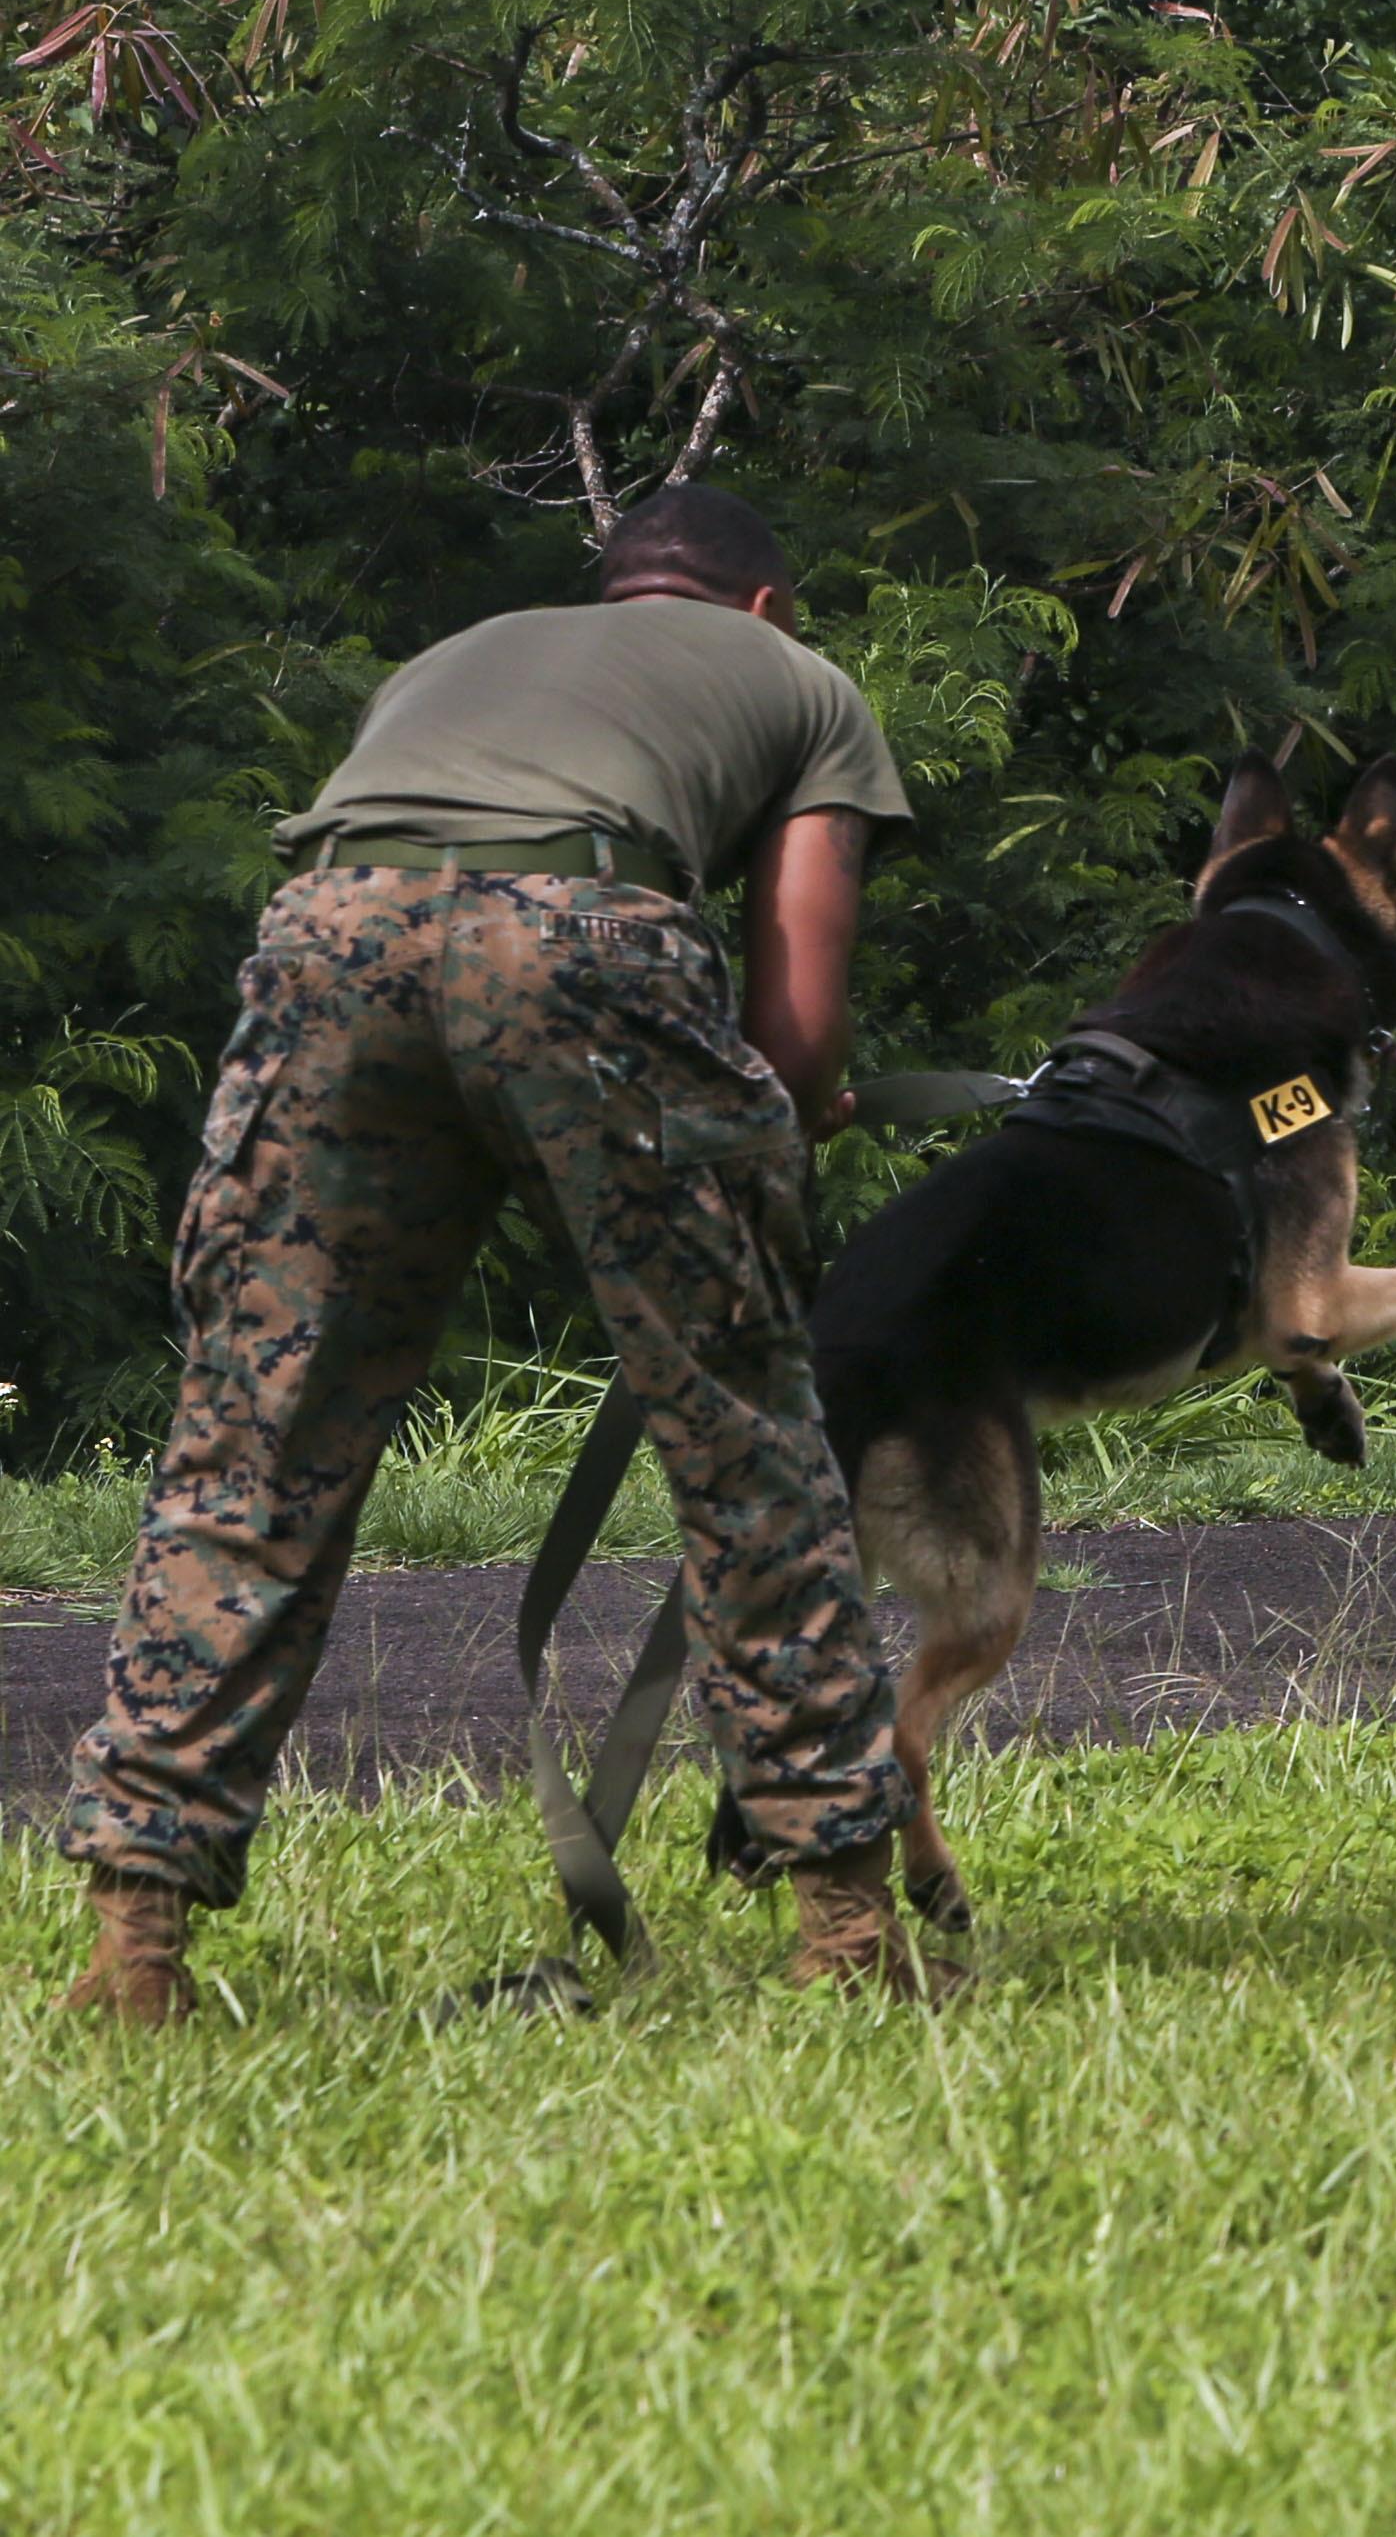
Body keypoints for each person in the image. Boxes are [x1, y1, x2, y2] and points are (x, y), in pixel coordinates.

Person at [55, 483, 927, 2021]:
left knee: (258, 1435)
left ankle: (136, 1941)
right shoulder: (804, 684)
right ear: (767, 608)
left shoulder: (460, 651)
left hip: (329, 926)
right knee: (740, 1439)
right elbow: (797, 1029)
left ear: (610, 595)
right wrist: (782, 1119)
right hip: (582, 926)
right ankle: (847, 1927)